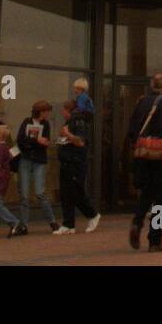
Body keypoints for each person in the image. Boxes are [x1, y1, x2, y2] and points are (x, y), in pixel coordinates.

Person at [125, 72, 162, 252]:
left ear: (151, 85)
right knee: (161, 198)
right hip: (161, 157)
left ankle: (137, 222)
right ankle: (155, 240)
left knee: (146, 193)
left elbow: (132, 129)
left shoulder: (141, 102)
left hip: (143, 154)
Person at [54, 98, 100, 234]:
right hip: (66, 162)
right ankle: (68, 224)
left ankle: (92, 214)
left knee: (76, 191)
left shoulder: (79, 122)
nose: (62, 113)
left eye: (64, 110)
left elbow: (80, 142)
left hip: (75, 162)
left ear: (69, 110)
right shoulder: (69, 122)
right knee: (65, 193)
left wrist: (67, 134)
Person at [14, 100, 57, 235]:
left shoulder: (46, 124)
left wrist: (35, 141)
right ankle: (24, 225)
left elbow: (46, 141)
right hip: (25, 160)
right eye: (47, 111)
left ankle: (52, 222)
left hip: (39, 160)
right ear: (41, 112)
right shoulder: (26, 122)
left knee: (40, 193)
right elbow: (20, 140)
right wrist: (36, 140)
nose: (48, 114)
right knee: (25, 195)